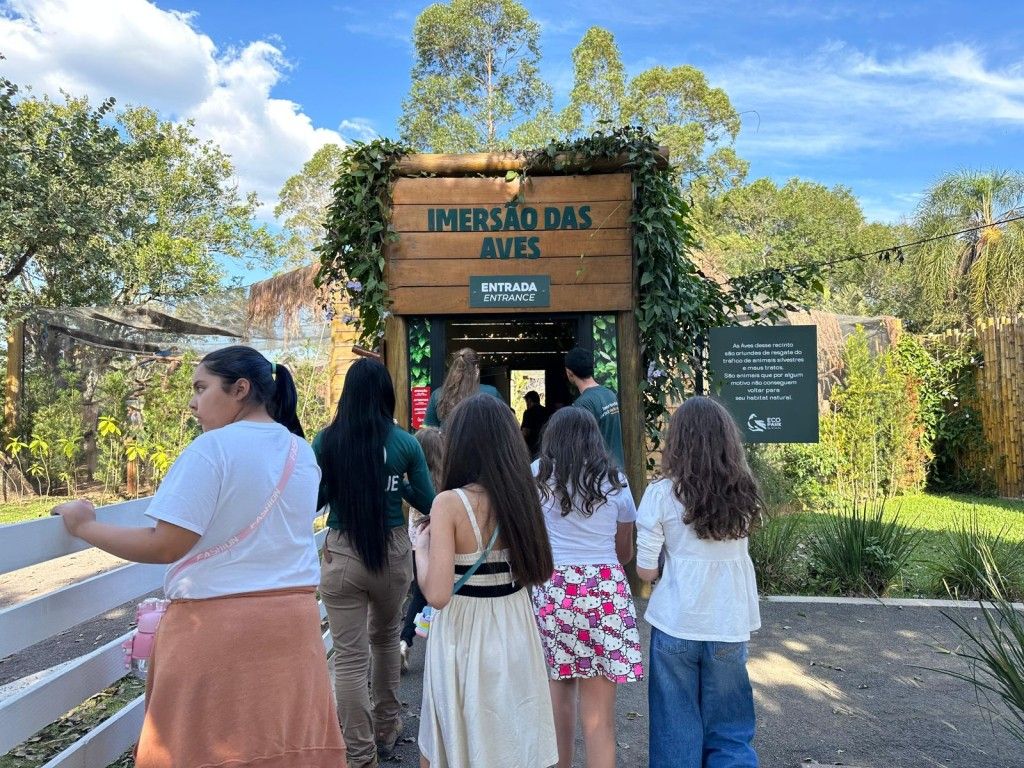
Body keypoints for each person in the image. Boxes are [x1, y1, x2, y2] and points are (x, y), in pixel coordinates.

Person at [51, 346, 347, 768]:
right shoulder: (301, 451)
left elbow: (164, 544)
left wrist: (83, 526)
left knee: (197, 750)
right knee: (283, 750)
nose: (192, 402)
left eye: (201, 388)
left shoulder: (213, 449)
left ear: (240, 389)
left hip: (216, 629)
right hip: (292, 625)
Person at [415, 393, 559, 768]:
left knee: (458, 731)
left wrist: (420, 550)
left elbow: (438, 594)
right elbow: (541, 570)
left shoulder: (448, 504)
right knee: (512, 733)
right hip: (514, 624)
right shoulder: (524, 496)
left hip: (463, 631)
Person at [315, 358, 436, 768]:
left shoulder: (326, 442)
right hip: (392, 554)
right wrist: (396, 483)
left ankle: (360, 754)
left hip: (342, 553)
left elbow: (313, 501)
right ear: (386, 394)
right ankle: (387, 729)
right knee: (384, 640)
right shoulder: (405, 443)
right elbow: (428, 501)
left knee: (348, 657)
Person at [636, 396, 762, 768]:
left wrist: (664, 565)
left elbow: (644, 571)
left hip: (676, 622)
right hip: (729, 623)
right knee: (730, 729)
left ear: (678, 442)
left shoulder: (661, 494)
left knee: (675, 728)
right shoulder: (745, 492)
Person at [531, 407, 643, 768]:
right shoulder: (617, 482)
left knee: (556, 706)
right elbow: (624, 552)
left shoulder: (536, 476)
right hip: (605, 593)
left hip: (554, 588)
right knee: (600, 720)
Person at [399, 425, 444, 672]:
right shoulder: (450, 481)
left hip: (419, 543)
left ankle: (404, 641)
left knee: (420, 593)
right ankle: (441, 645)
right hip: (445, 542)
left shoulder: (413, 483)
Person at [564, 347, 624, 468]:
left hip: (598, 476)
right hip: (617, 471)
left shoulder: (582, 405)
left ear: (569, 373)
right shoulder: (609, 394)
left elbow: (579, 447)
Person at [423, 347, 502, 429]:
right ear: (476, 369)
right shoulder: (491, 393)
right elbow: (504, 427)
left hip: (447, 441)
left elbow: (430, 433)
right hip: (484, 441)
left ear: (453, 369)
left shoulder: (438, 394)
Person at [520, 389, 550, 458]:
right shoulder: (547, 411)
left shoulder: (528, 413)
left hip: (532, 447)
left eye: (526, 401)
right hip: (545, 445)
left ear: (529, 400)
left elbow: (525, 432)